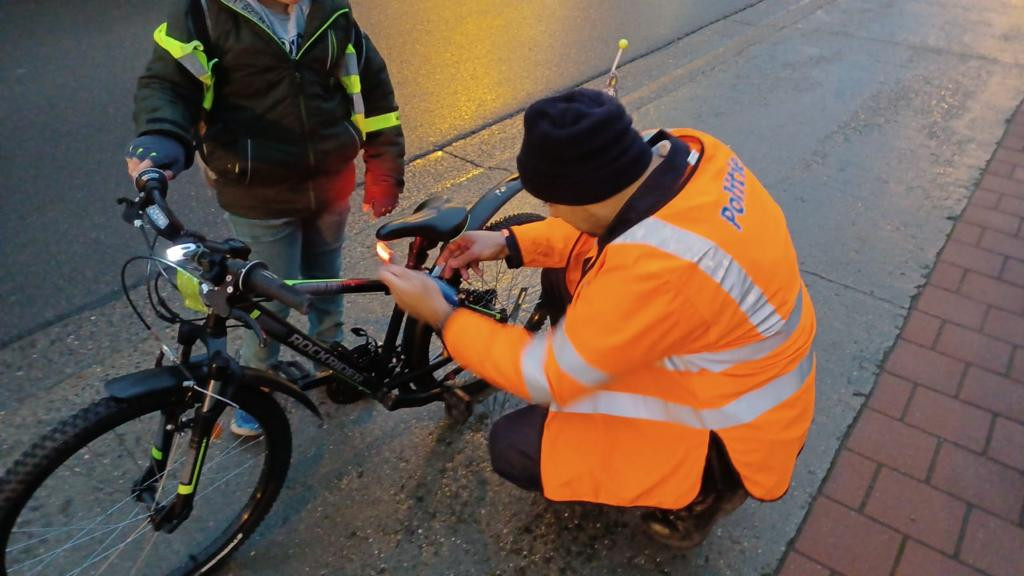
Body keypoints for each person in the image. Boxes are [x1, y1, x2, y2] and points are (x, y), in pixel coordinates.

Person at [377, 88, 816, 549]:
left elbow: (543, 374)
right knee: (560, 280)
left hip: (729, 420)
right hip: (723, 358)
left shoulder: (661, 271)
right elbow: (610, 225)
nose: (550, 212)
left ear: (582, 198)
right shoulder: (691, 156)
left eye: (551, 203)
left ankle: (707, 490)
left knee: (515, 445)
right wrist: (510, 241)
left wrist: (443, 315)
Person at [126, 0, 405, 436]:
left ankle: (330, 357)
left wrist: (384, 167)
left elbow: (374, 85)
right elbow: (168, 85)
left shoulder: (330, 9)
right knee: (267, 296)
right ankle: (255, 388)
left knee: (325, 278)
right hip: (258, 191)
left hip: (330, 183)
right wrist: (160, 139)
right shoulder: (204, 13)